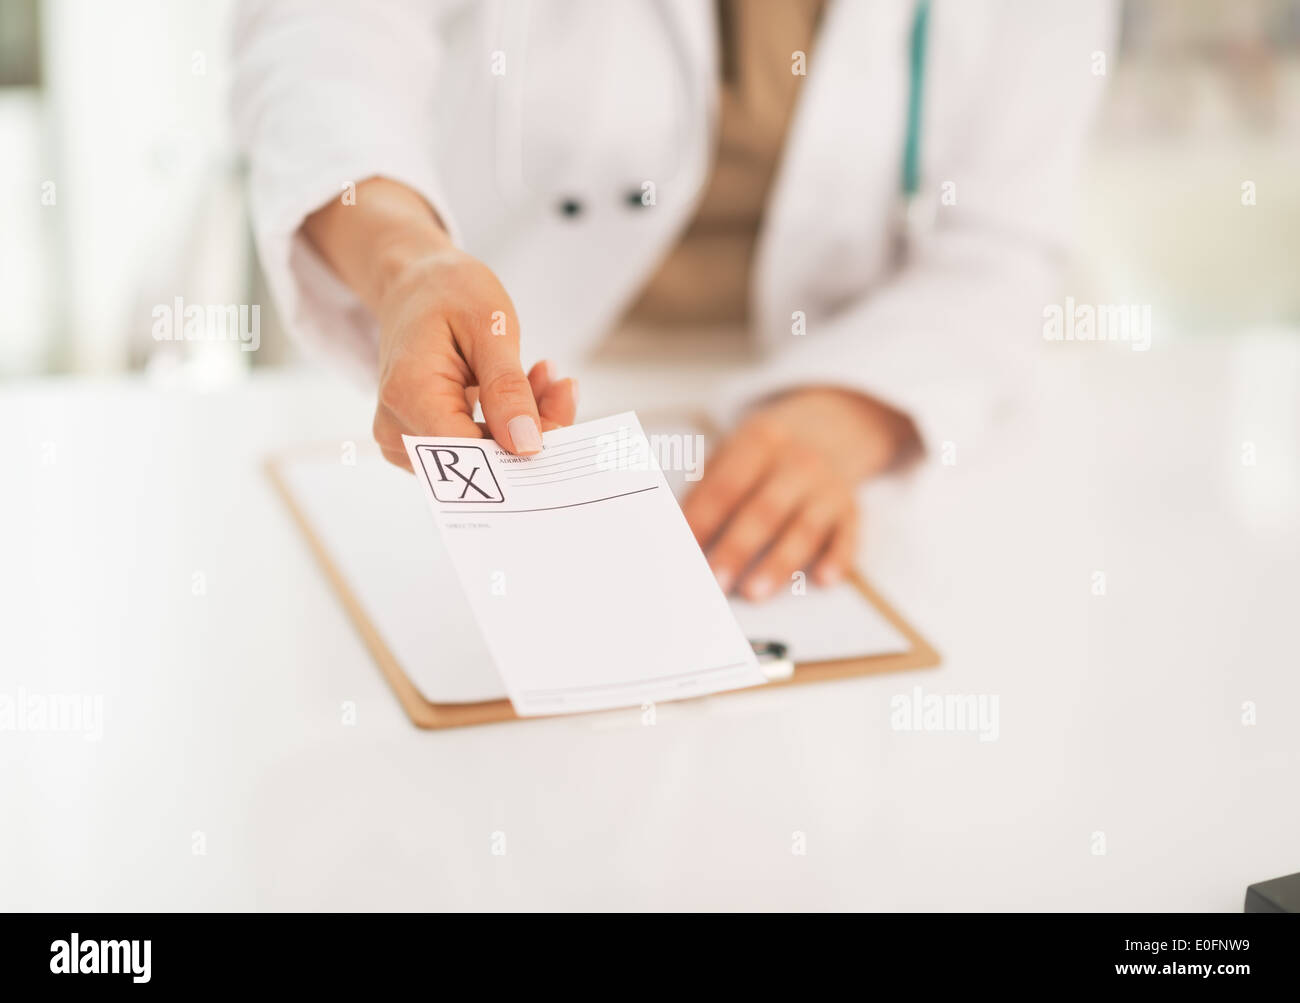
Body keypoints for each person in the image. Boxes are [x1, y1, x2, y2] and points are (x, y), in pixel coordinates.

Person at [232, 0, 1113, 600]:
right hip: (482, 363)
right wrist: (404, 262)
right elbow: (322, 39)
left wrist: (852, 409)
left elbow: (1003, 237)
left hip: (843, 377)